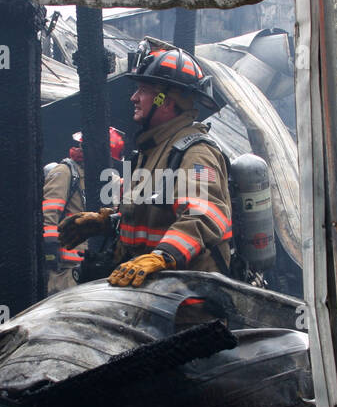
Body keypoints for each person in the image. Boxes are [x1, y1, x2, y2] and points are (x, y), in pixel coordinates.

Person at [60, 48, 232, 287]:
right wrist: (107, 222)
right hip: (152, 296)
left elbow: (204, 215)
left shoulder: (196, 153)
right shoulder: (149, 151)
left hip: (188, 303)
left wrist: (162, 256)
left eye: (143, 90)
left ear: (165, 101)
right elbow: (150, 217)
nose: (134, 98)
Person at [42, 127, 125, 294]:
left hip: (100, 268)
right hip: (67, 269)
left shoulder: (112, 181)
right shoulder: (65, 172)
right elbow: (49, 214)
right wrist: (51, 254)